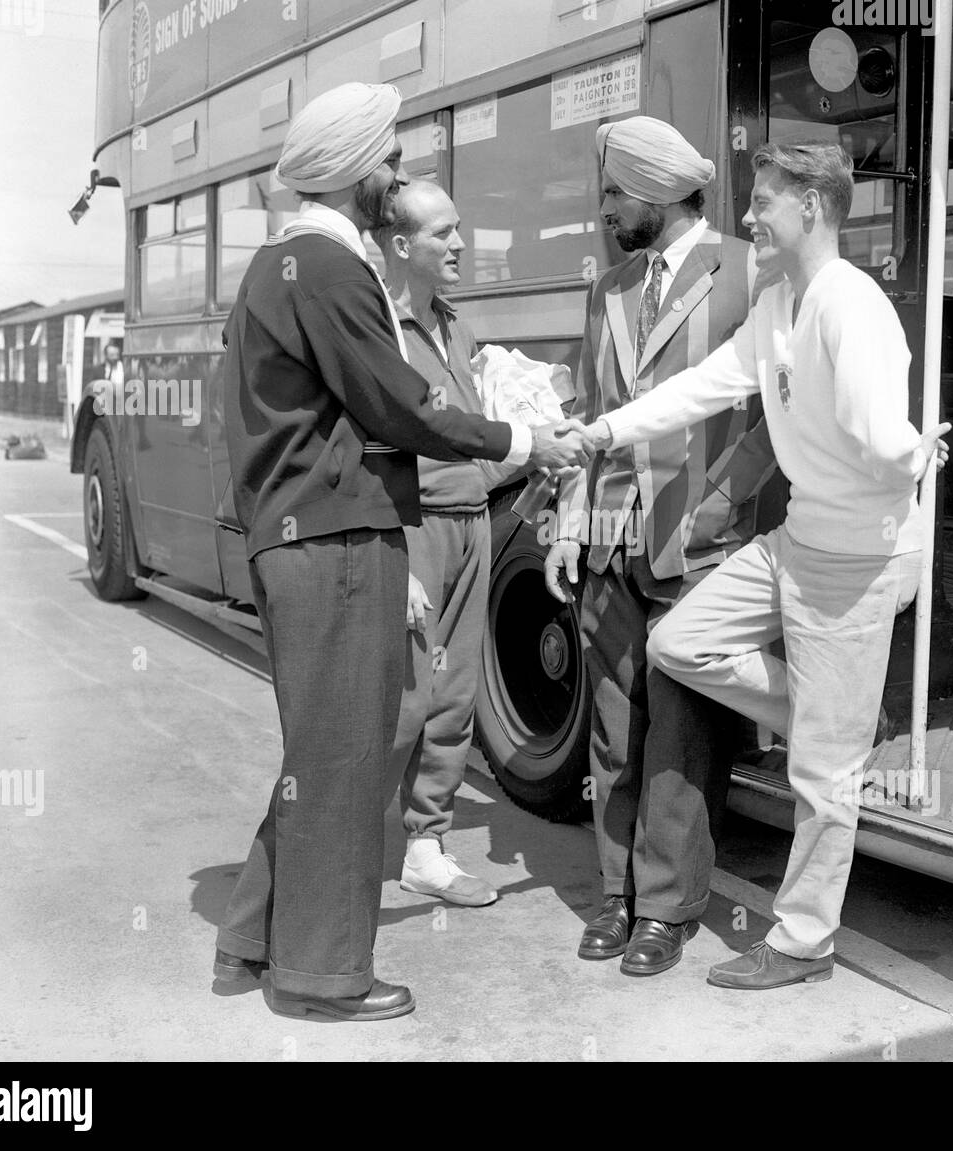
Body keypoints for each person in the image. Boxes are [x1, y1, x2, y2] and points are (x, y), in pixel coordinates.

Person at [214, 83, 589, 1022]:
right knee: (346, 758)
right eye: (386, 159)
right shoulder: (330, 268)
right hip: (336, 538)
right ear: (349, 170)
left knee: (323, 747)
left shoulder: (278, 266)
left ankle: (253, 937)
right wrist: (516, 441)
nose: (395, 175)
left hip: (301, 536)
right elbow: (399, 406)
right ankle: (323, 973)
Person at [566, 142, 950, 990]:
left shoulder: (854, 307)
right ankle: (832, 721)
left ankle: (804, 940)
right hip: (795, 544)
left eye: (764, 201)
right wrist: (602, 432)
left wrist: (913, 455)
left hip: (856, 556)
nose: (748, 217)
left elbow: (882, 437)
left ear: (811, 206)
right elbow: (704, 385)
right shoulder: (778, 301)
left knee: (819, 775)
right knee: (679, 644)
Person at [544, 115, 778, 976]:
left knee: (682, 736)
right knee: (615, 729)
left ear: (657, 192)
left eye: (614, 193)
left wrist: (722, 502)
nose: (604, 209)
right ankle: (616, 894)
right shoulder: (608, 287)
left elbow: (771, 416)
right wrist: (570, 519)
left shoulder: (747, 271)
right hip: (608, 538)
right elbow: (590, 419)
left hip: (700, 540)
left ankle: (668, 906)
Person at [376, 181, 498, 907]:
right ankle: (344, 842)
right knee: (405, 702)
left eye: (458, 229)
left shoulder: (456, 324)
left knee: (455, 697)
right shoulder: (381, 330)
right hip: (414, 526)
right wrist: (397, 557)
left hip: (472, 520)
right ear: (401, 247)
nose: (458, 245)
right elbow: (369, 448)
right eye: (441, 234)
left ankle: (426, 845)